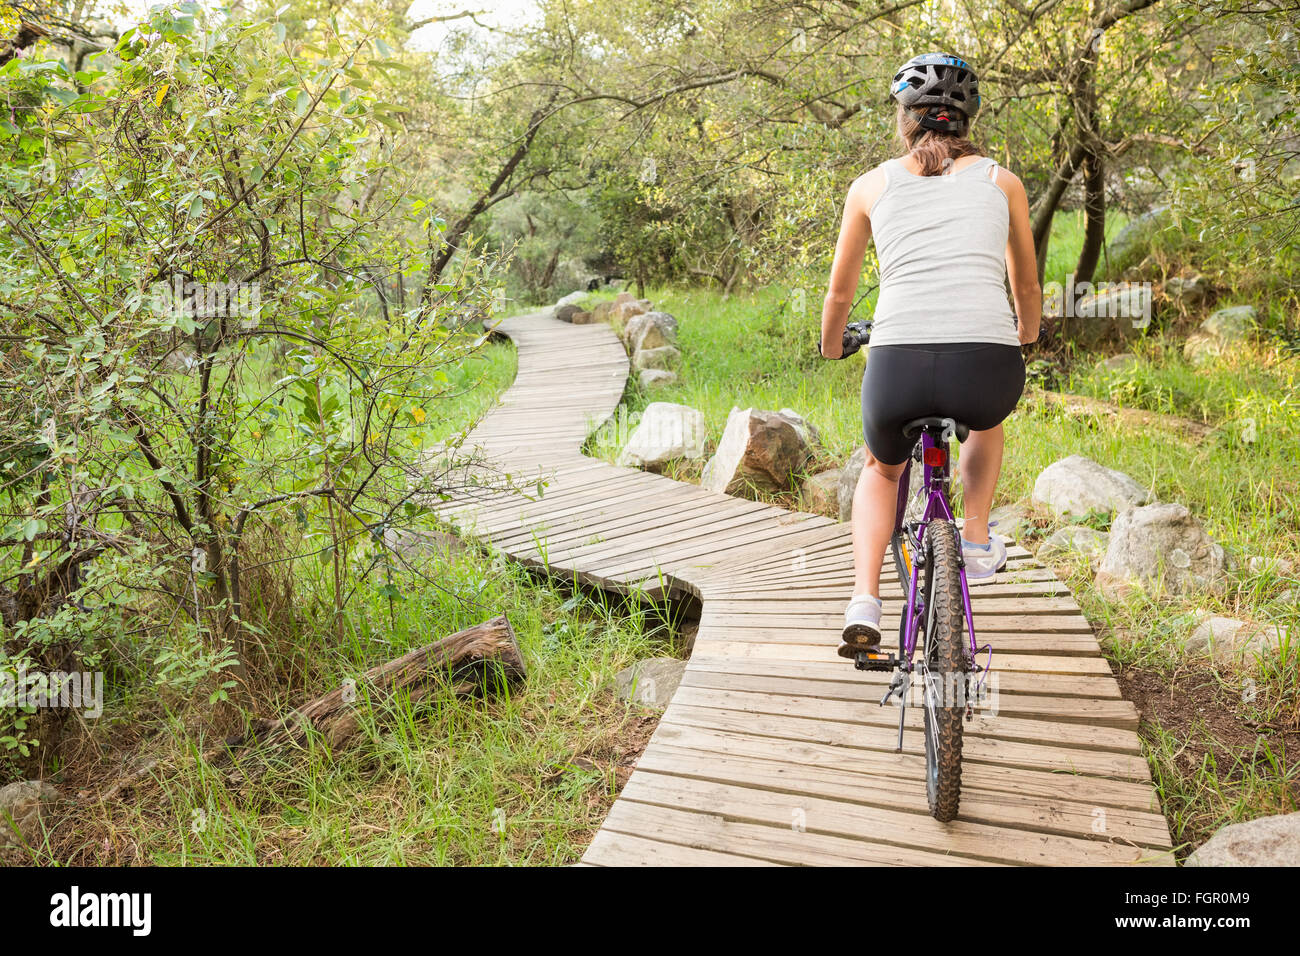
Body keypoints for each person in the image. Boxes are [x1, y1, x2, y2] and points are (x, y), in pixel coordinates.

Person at [819, 52, 1041, 657]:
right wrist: (1025, 336)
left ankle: (864, 599)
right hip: (986, 368)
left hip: (898, 365)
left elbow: (841, 290)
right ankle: (972, 535)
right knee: (987, 422)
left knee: (881, 470)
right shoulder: (1003, 182)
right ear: (967, 121)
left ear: (905, 119)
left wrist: (832, 343)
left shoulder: (870, 185)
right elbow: (1025, 286)